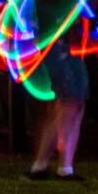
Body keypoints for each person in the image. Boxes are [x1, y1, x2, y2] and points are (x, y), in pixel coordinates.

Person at [28, 28, 88, 180]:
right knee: (70, 103)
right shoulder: (53, 8)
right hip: (57, 47)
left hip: (64, 48)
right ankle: (59, 167)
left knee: (74, 104)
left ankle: (46, 166)